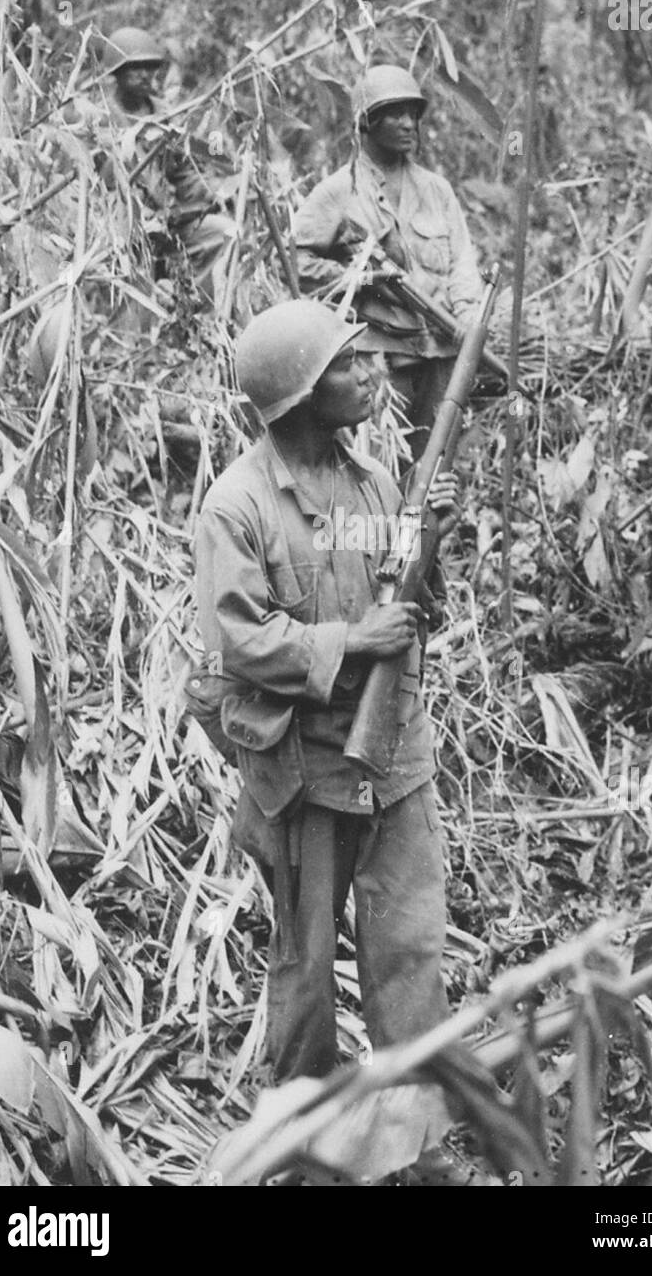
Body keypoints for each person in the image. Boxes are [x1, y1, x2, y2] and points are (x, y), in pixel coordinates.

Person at [189, 299, 492, 1184]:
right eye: (346, 367)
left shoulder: (373, 482)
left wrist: (428, 529)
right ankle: (302, 1147)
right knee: (307, 971)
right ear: (297, 398)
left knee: (407, 953)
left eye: (363, 361)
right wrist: (346, 644)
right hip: (304, 766)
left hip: (392, 754)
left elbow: (408, 602)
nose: (368, 375)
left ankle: (420, 1139)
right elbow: (239, 639)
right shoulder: (236, 505)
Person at [293, 64, 484, 459]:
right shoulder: (338, 192)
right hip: (377, 358)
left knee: (434, 464)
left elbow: (463, 260)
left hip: (441, 349)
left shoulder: (436, 190)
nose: (408, 123)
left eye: (413, 113)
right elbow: (297, 262)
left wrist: (467, 315)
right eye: (395, 113)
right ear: (367, 122)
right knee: (381, 465)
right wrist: (357, 277)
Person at [72, 26, 237, 309]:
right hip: (121, 229)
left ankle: (191, 309)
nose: (145, 75)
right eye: (135, 69)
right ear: (117, 72)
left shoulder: (165, 114)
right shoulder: (98, 118)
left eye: (150, 67)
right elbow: (90, 185)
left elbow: (185, 169)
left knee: (225, 233)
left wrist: (209, 198)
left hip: (168, 223)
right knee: (132, 277)